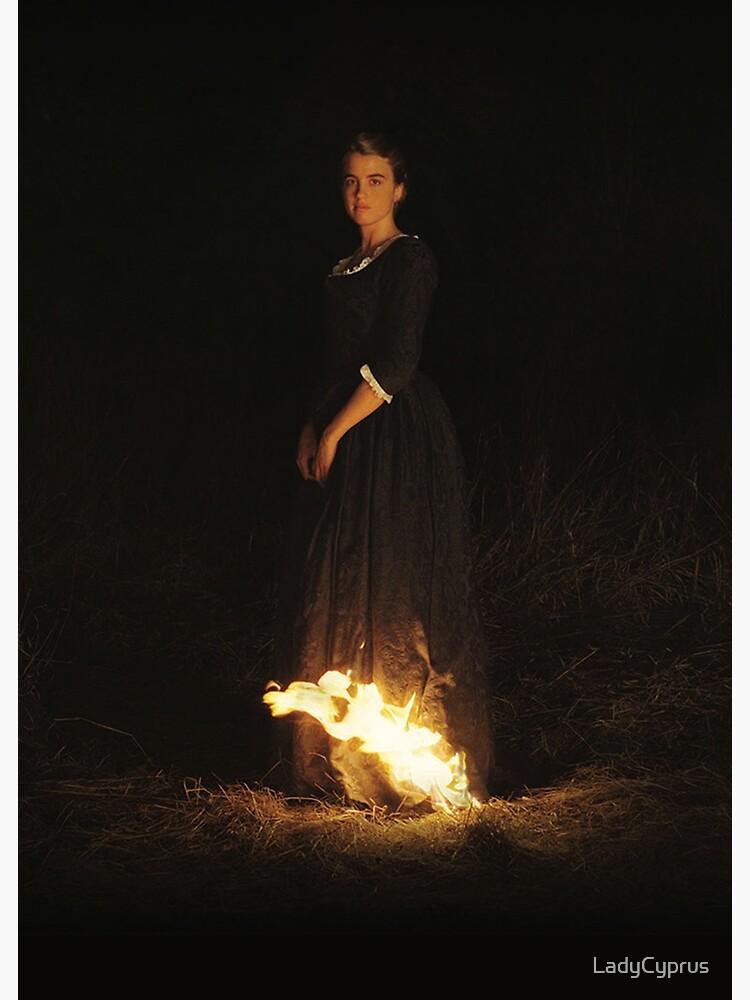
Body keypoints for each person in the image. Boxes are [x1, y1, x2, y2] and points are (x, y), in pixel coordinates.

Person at [270, 132, 494, 806]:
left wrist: (337, 428)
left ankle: (411, 761)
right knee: (334, 577)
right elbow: (334, 362)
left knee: (395, 582)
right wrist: (312, 427)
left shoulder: (411, 258)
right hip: (344, 429)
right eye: (350, 180)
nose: (360, 192)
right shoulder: (343, 267)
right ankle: (335, 756)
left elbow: (397, 362)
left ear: (399, 189)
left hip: (395, 434)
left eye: (374, 180)